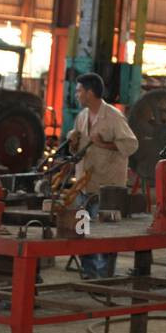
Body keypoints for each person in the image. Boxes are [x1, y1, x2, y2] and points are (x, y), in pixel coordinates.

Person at [67, 73, 139, 279]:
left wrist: (104, 144)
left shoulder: (114, 117)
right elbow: (78, 148)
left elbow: (131, 144)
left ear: (90, 93)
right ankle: (88, 273)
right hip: (84, 187)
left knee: (107, 233)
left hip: (108, 189)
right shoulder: (82, 116)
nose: (77, 94)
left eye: (79, 90)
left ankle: (105, 275)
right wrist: (73, 141)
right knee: (82, 231)